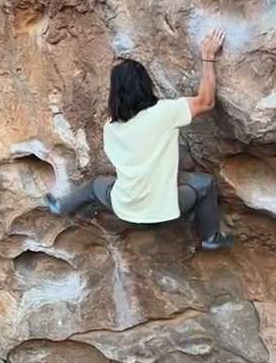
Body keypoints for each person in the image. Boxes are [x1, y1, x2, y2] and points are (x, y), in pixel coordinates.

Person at [46, 28, 231, 249]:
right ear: (145, 84)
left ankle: (62, 206)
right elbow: (206, 102)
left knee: (95, 186)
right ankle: (210, 237)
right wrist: (208, 57)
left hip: (124, 208)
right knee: (205, 184)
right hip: (164, 210)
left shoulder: (111, 127)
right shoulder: (164, 112)